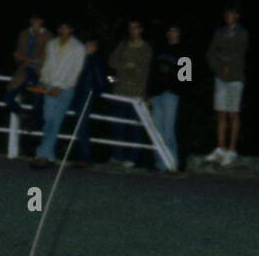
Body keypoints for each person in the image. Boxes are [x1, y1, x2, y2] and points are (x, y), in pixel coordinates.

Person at [29, 20, 85, 168]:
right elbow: (47, 65)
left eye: (66, 27)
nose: (63, 30)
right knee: (48, 121)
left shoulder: (78, 47)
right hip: (49, 86)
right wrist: (43, 81)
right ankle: (50, 156)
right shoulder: (51, 44)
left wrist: (62, 86)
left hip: (65, 89)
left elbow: (76, 71)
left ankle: (41, 155)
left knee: (55, 121)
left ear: (71, 29)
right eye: (61, 27)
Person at [206, 3, 249, 164]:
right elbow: (211, 53)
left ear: (237, 16)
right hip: (220, 78)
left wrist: (226, 63)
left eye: (231, 14)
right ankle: (220, 148)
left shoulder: (242, 33)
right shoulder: (219, 32)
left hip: (235, 79)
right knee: (221, 113)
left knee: (233, 114)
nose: (228, 16)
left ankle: (232, 150)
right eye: (226, 13)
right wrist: (219, 66)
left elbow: (237, 53)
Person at [107, 19, 153, 168]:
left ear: (141, 29)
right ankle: (117, 156)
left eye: (135, 28)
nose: (132, 31)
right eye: (130, 28)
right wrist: (125, 65)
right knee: (118, 125)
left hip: (136, 93)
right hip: (119, 90)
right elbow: (112, 61)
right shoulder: (123, 45)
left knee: (134, 126)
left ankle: (132, 158)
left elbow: (141, 70)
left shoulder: (146, 48)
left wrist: (128, 66)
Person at [149, 24, 187, 173]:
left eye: (175, 30)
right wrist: (149, 94)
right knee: (156, 130)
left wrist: (176, 90)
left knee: (168, 130)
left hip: (171, 94)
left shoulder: (184, 51)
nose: (172, 33)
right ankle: (159, 164)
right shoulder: (160, 50)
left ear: (179, 33)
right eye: (170, 30)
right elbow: (152, 73)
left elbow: (186, 76)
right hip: (156, 94)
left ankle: (172, 164)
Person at [67, 39, 108, 168]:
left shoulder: (94, 60)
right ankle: (82, 156)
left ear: (95, 48)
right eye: (86, 44)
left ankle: (86, 157)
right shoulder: (82, 58)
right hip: (80, 94)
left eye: (90, 45)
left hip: (86, 94)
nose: (87, 46)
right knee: (79, 125)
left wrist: (94, 92)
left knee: (81, 125)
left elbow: (100, 79)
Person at [4, 14, 48, 120]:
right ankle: (24, 117)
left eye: (37, 19)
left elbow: (46, 60)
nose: (34, 22)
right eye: (32, 19)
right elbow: (18, 55)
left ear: (42, 21)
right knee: (8, 98)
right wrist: (18, 57)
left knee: (38, 102)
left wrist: (26, 59)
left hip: (39, 73)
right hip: (23, 71)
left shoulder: (49, 36)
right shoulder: (23, 34)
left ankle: (34, 123)